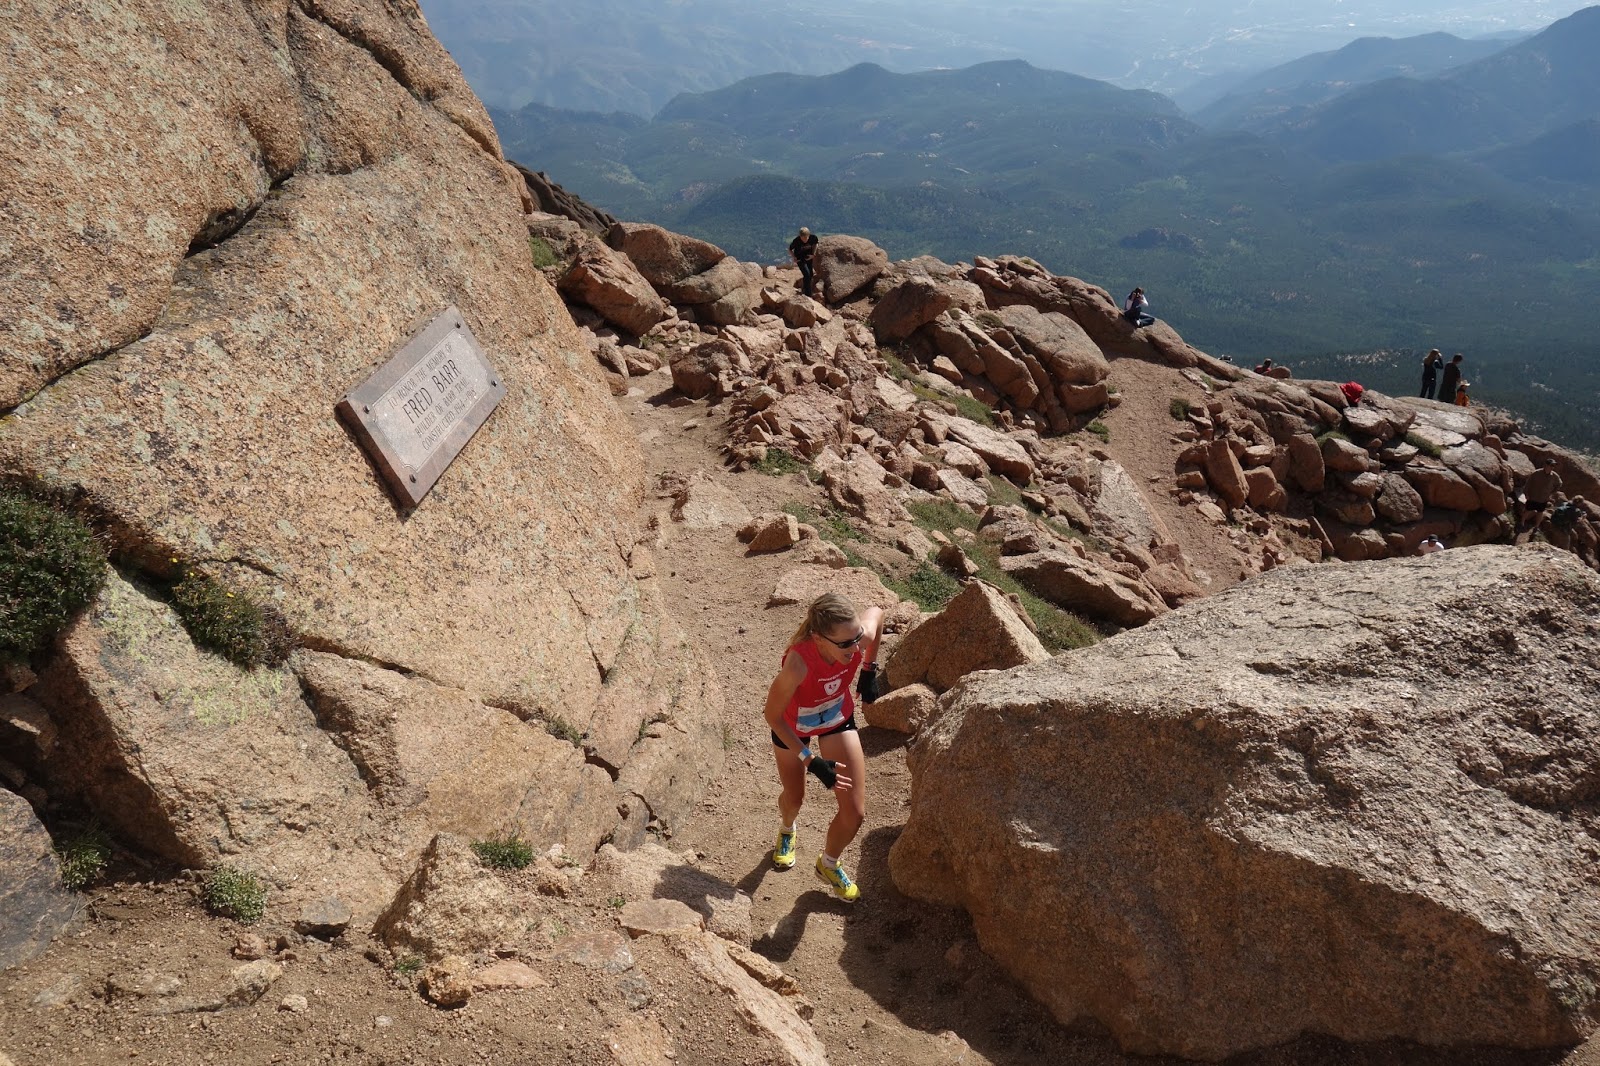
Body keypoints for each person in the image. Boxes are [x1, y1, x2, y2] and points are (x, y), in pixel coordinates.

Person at [761, 593, 885, 903]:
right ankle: (787, 828)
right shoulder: (797, 665)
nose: (855, 649)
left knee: (855, 812)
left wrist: (869, 669)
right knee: (794, 798)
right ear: (818, 638)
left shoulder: (857, 638)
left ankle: (828, 865)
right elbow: (773, 716)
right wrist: (810, 760)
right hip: (793, 728)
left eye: (857, 638)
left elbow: (877, 613)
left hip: (835, 719)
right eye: (845, 644)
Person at [1522, 460, 1562, 533]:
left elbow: (1559, 484)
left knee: (1540, 512)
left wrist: (1552, 493)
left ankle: (1536, 527)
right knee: (1527, 510)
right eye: (1551, 465)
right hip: (1533, 496)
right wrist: (1526, 494)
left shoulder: (1554, 476)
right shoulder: (1536, 473)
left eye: (1553, 466)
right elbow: (1528, 483)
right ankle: (1522, 523)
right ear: (1546, 465)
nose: (1552, 467)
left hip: (1543, 498)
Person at [789, 227, 819, 298]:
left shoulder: (813, 238)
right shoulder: (796, 241)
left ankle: (804, 289)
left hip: (809, 258)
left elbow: (816, 244)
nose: (804, 240)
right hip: (800, 259)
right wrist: (794, 257)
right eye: (802, 238)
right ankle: (808, 295)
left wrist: (813, 254)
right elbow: (790, 249)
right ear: (800, 236)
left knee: (810, 274)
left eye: (806, 238)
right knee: (807, 274)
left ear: (809, 235)